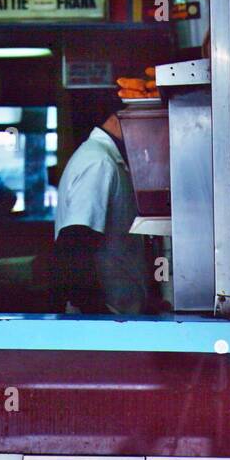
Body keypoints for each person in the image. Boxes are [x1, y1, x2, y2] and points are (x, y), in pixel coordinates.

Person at [53, 110, 149, 315]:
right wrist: (95, 312)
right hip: (105, 317)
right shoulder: (99, 163)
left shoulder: (107, 159)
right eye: (145, 127)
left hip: (117, 314)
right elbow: (75, 239)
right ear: (118, 119)